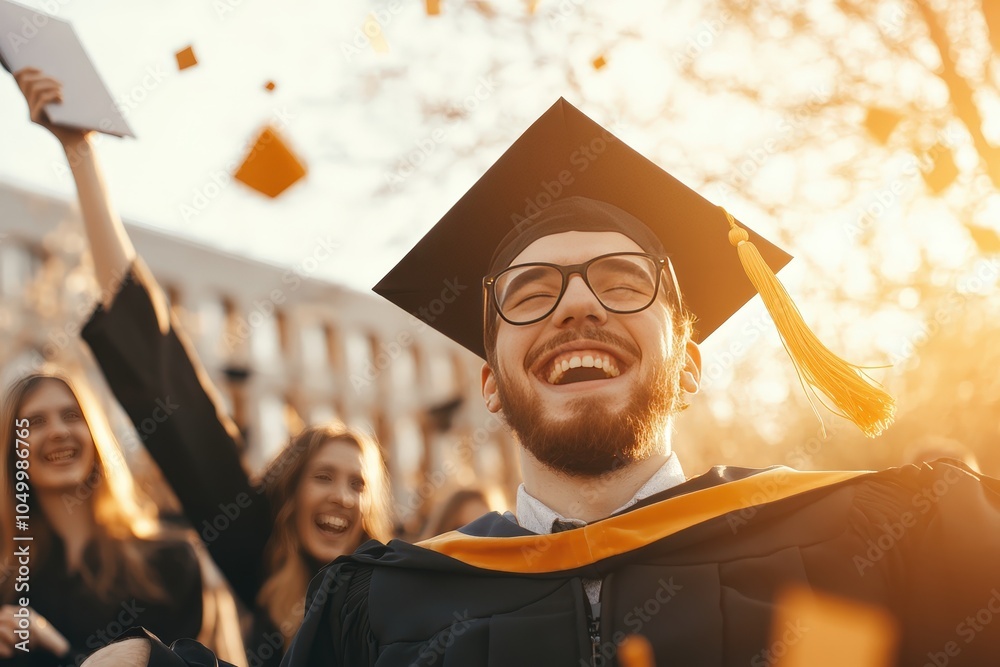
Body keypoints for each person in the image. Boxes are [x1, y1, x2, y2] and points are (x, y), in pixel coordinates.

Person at [88, 102, 1000, 665]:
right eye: (531, 292)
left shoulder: (885, 538)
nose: (574, 307)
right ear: (491, 383)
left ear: (688, 362)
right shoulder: (384, 604)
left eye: (621, 279)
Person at [11, 67, 394, 666]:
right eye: (322, 477)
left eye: (358, 483)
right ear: (285, 501)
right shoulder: (257, 558)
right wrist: (81, 153)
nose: (341, 496)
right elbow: (167, 380)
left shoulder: (401, 593)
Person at [0, 373, 204, 666]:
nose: (58, 431)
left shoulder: (169, 565)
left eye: (71, 416)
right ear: (11, 453)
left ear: (96, 434)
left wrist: (56, 647)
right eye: (34, 422)